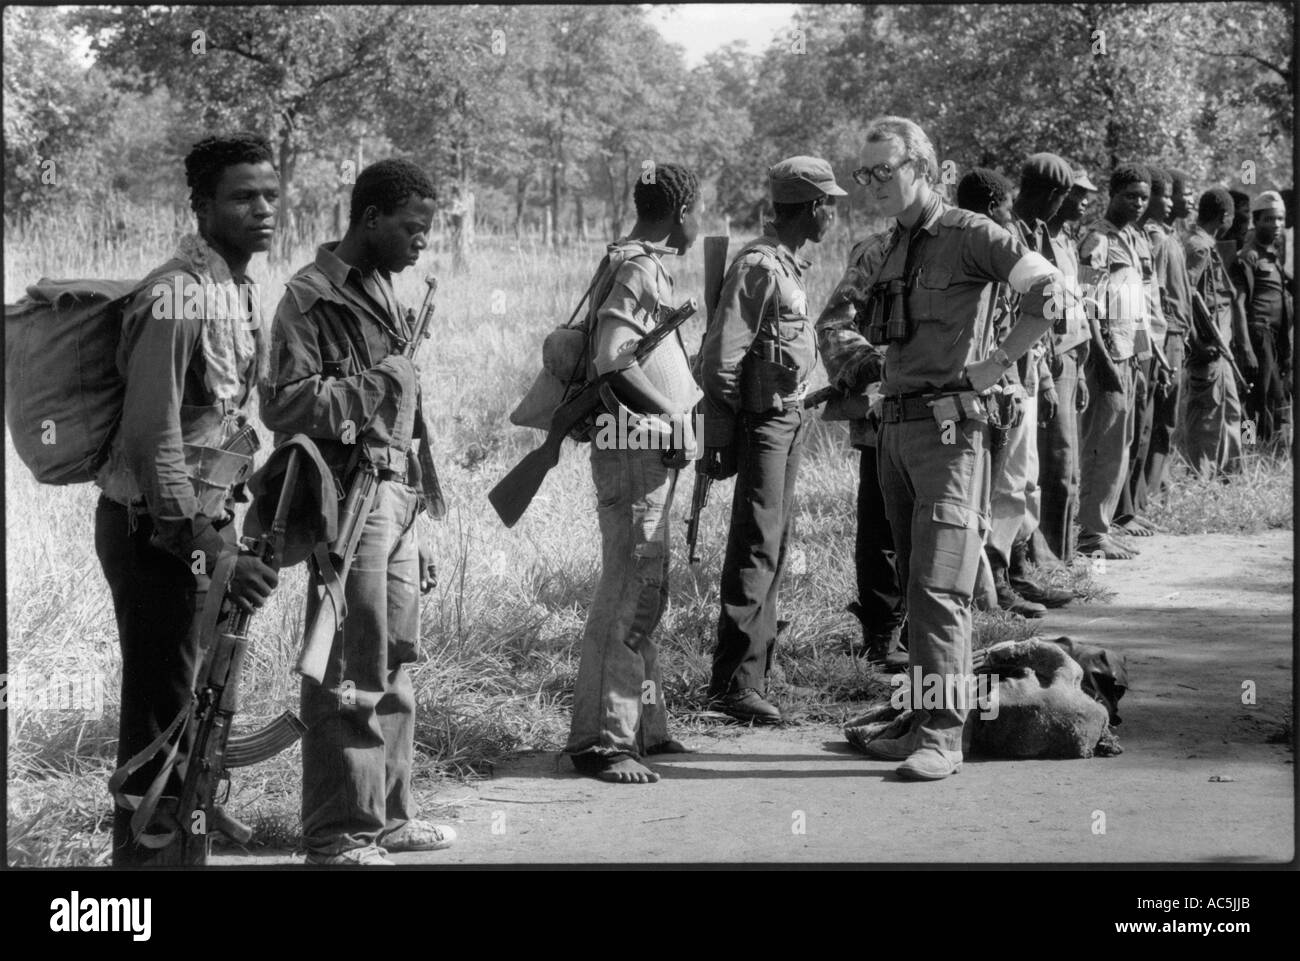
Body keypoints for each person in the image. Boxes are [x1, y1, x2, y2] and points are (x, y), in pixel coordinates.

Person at [845, 116, 1064, 780]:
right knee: (917, 589)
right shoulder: (885, 248)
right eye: (866, 174)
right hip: (896, 433)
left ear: (927, 168)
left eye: (886, 171)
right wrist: (859, 369)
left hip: (951, 432)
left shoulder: (973, 236)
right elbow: (841, 320)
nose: (874, 184)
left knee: (942, 589)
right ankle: (917, 717)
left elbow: (1049, 289)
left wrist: (997, 363)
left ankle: (942, 735)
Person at [95, 133, 282, 865]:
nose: (262, 208)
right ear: (201, 206)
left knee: (202, 717)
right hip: (158, 533)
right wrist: (210, 551)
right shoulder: (177, 290)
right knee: (161, 726)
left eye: (269, 193)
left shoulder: (233, 288)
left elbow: (220, 423)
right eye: (241, 196)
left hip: (204, 526)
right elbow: (152, 436)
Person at [261, 159, 454, 864]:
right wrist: (378, 381)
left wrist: (420, 501)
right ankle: (338, 833)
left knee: (397, 659)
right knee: (348, 664)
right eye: (411, 228)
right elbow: (283, 405)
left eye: (426, 231)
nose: (420, 243)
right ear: (370, 218)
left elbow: (407, 412)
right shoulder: (309, 298)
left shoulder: (384, 291)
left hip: (395, 495)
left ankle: (390, 815)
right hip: (347, 499)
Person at [559, 162, 702, 783]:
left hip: (641, 449)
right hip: (632, 450)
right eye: (700, 211)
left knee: (647, 588)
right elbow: (614, 356)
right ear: (682, 210)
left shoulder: (637, 260)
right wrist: (672, 414)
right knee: (628, 589)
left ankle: (643, 726)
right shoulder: (639, 266)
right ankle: (599, 743)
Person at [700, 157, 846, 720]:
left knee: (776, 543)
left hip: (787, 418)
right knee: (756, 544)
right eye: (827, 203)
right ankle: (733, 685)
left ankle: (759, 669)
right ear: (811, 208)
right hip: (764, 422)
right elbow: (720, 361)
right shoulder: (759, 267)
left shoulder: (788, 265)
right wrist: (744, 419)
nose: (832, 213)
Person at [991, 154, 1075, 611]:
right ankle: (1001, 577)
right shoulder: (1005, 236)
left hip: (1028, 372)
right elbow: (1005, 320)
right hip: (1006, 377)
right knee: (1007, 483)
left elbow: (1041, 324)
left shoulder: (1035, 234)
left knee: (1028, 482)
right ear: (1049, 194)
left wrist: (1041, 377)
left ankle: (1021, 569)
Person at [1075, 164, 1153, 560]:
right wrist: (1102, 361)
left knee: (1120, 446)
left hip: (1127, 355)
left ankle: (1100, 527)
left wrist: (1142, 355)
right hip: (1105, 356)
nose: (1138, 203)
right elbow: (1085, 304)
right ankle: (1088, 534)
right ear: (1112, 194)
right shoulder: (1098, 240)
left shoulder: (1133, 240)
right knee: (1100, 447)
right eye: (1130, 196)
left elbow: (1134, 306)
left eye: (1143, 196)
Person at [1038, 166, 1098, 562]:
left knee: (1071, 468)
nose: (1084, 201)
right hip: (1054, 359)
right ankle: (1049, 558)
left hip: (1074, 357)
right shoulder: (1040, 240)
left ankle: (1064, 554)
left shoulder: (1068, 242)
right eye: (1077, 193)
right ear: (1059, 194)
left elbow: (1080, 302)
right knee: (1056, 466)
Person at [1180, 185, 1254, 479]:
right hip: (1206, 348)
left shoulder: (1207, 245)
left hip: (1220, 349)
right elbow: (1184, 296)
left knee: (1231, 411)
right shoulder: (1198, 247)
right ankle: (1201, 479)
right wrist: (1197, 343)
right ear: (1224, 216)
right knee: (1207, 416)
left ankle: (1229, 475)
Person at [1142, 166, 1197, 499]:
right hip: (1165, 337)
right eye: (1182, 193)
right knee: (1158, 418)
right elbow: (1156, 295)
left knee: (1167, 420)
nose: (1188, 199)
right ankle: (1147, 490)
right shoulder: (1157, 238)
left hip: (1177, 335)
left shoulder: (1172, 237)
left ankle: (1159, 485)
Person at [1231, 190, 1292, 445]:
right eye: (1269, 219)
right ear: (1256, 222)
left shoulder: (1274, 254)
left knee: (1276, 396)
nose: (1276, 225)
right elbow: (1238, 303)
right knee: (1255, 396)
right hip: (1259, 334)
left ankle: (1267, 446)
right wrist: (1246, 347)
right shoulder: (1249, 256)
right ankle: (1248, 446)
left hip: (1276, 336)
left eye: (1279, 219)